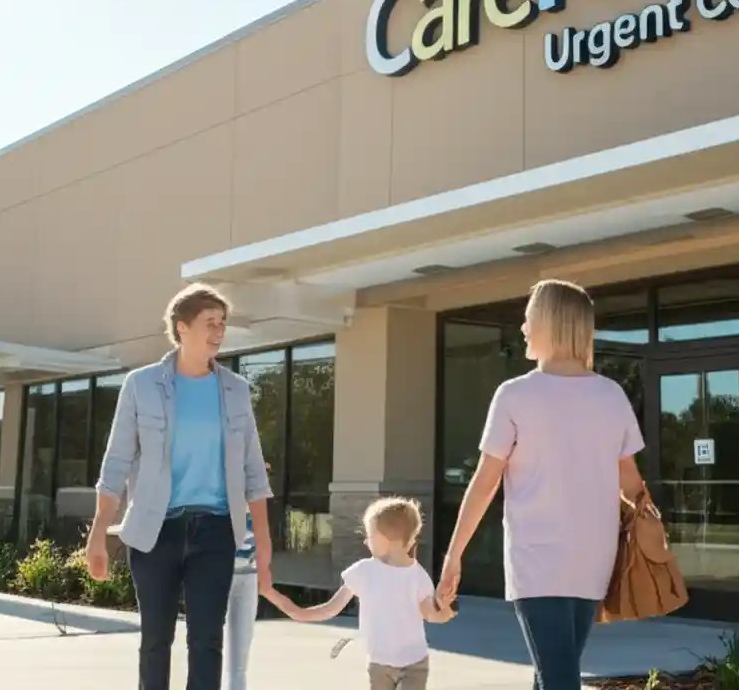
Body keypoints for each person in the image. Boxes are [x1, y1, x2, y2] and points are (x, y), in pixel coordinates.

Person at [436, 279, 650, 690]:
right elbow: (631, 481)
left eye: (529, 318)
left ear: (551, 323)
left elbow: (485, 482)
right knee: (555, 670)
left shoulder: (514, 395)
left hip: (538, 559)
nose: (522, 328)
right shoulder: (611, 395)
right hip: (593, 558)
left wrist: (454, 556)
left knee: (557, 675)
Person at [87, 283, 274, 690]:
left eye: (222, 323)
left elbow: (253, 471)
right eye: (210, 322)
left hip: (216, 530)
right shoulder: (141, 385)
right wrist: (98, 533)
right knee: (156, 640)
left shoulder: (236, 390)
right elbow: (116, 463)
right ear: (181, 327)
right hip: (155, 531)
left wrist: (263, 543)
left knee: (207, 641)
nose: (219, 331)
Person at [264, 497, 456, 690]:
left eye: (370, 535)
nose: (365, 541)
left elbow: (431, 614)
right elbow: (330, 609)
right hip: (379, 665)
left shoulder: (418, 576)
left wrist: (445, 608)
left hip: (414, 664)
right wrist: (281, 601)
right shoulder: (364, 571)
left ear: (385, 538)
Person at [223, 462, 271, 690]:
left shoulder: (258, 507)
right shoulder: (221, 500)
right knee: (207, 647)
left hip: (248, 576)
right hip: (219, 575)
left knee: (240, 657)